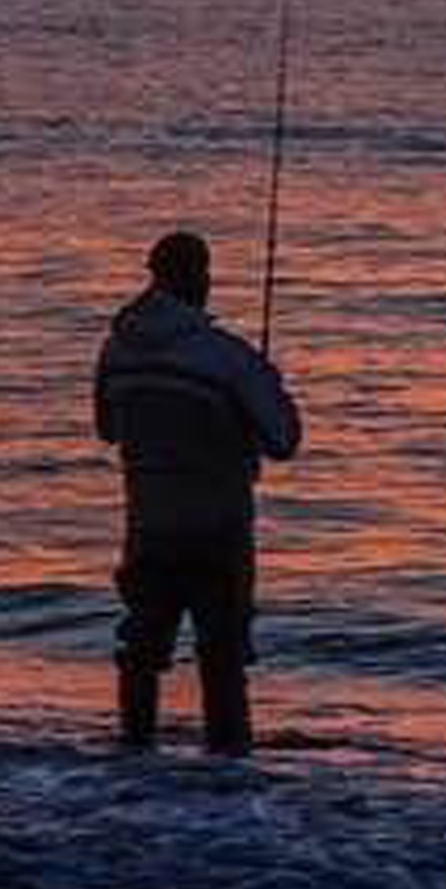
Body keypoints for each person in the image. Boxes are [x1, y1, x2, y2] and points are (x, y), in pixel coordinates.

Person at [95, 230, 300, 753]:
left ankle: (134, 759)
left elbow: (106, 428)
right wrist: (264, 384)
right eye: (205, 273)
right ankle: (226, 777)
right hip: (218, 526)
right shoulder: (226, 358)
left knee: (142, 650)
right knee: (223, 656)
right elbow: (284, 440)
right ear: (198, 279)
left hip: (147, 525)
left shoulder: (116, 350)